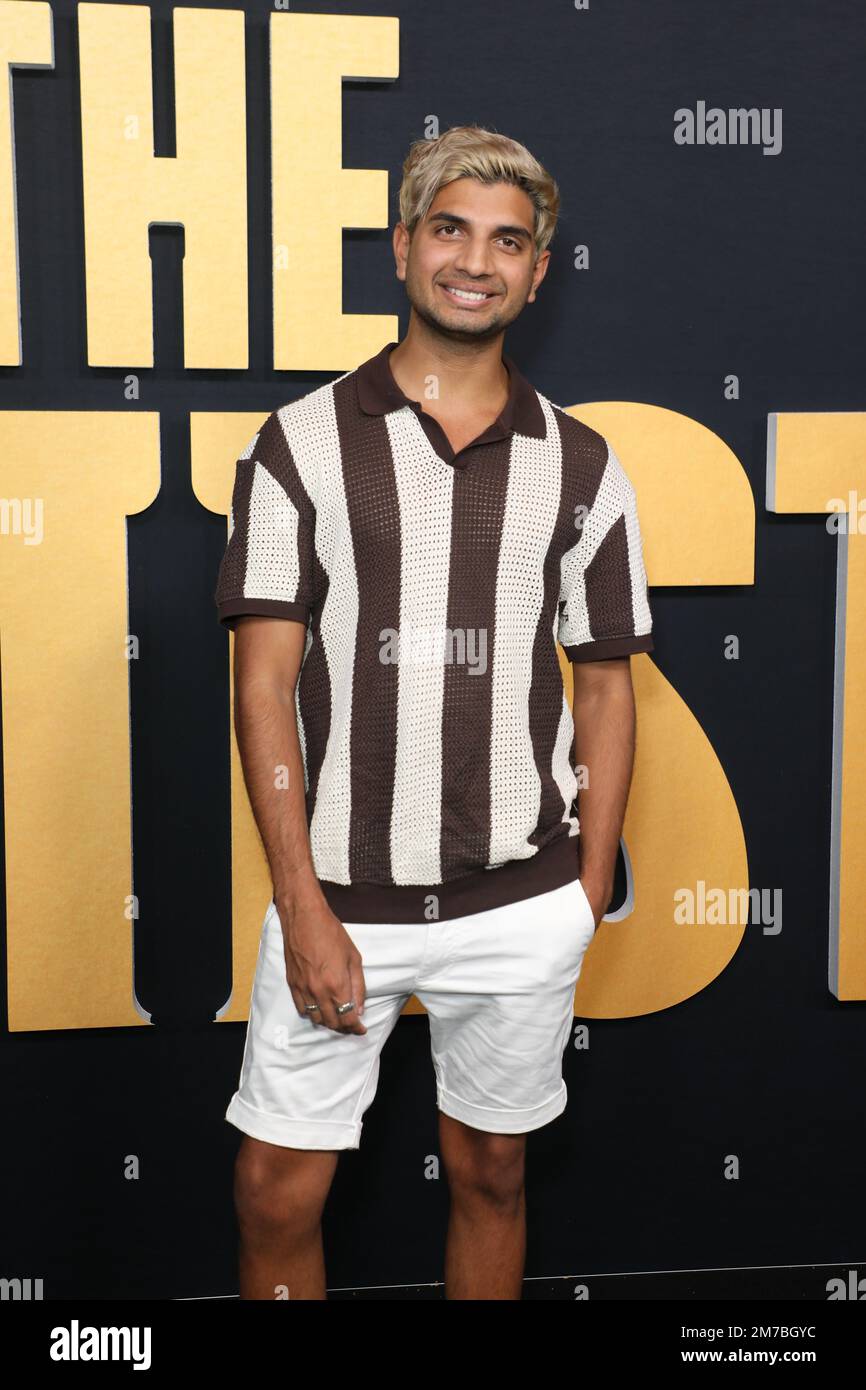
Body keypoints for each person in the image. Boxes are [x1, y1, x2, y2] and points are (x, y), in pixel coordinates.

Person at [214, 124, 654, 1300]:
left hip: (520, 898)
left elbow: (604, 679)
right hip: (342, 899)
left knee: (493, 1170)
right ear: (403, 246)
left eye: (508, 241)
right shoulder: (299, 444)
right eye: (450, 229)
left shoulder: (581, 464)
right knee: (274, 1188)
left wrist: (583, 882)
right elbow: (262, 682)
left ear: (538, 269)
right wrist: (301, 906)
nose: (476, 259)